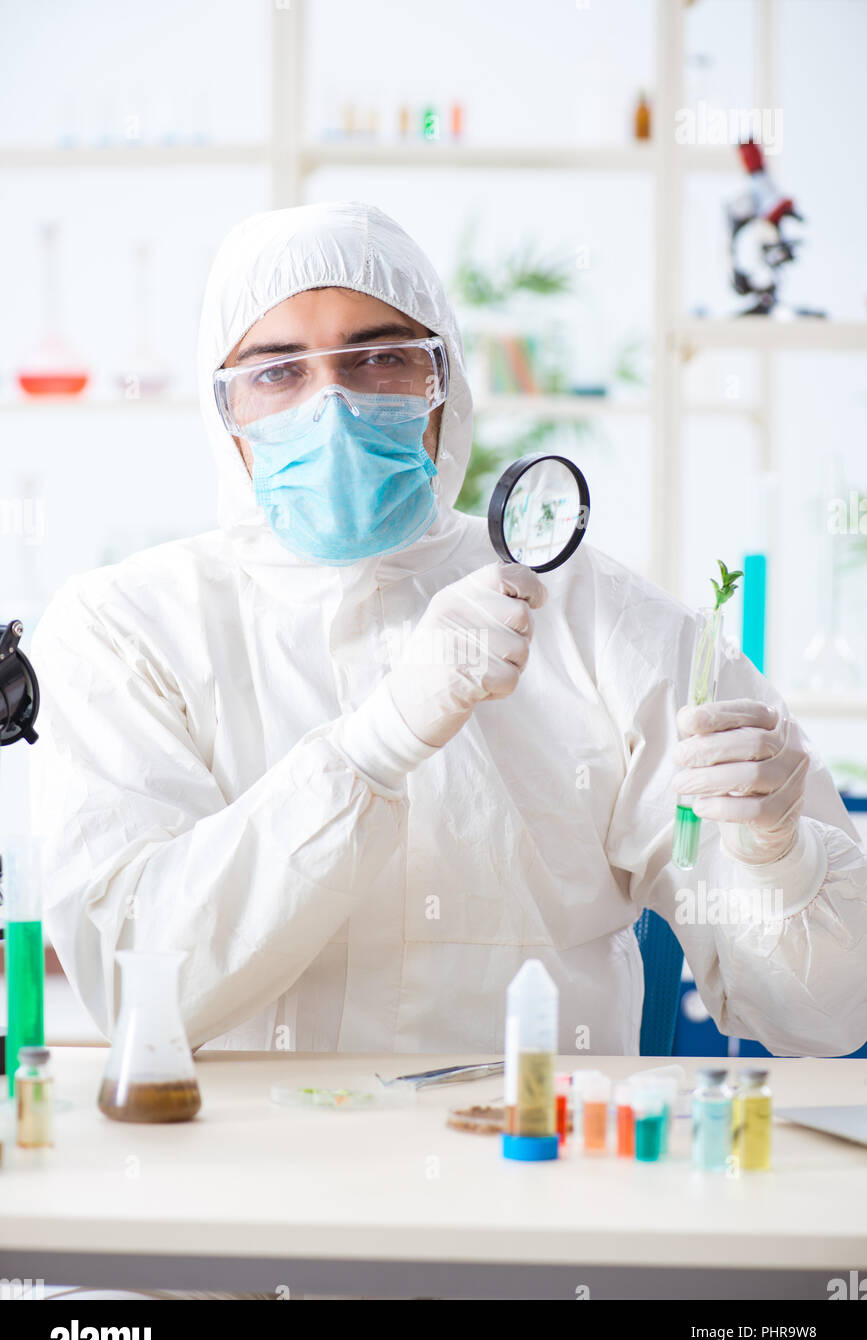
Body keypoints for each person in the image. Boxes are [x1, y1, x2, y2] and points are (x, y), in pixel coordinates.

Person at [32, 201, 867, 1061]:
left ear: (445, 382)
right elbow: (135, 994)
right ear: (222, 412)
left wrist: (777, 858)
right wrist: (375, 746)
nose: (335, 407)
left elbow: (824, 1020)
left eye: (382, 358)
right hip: (244, 1181)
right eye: (278, 372)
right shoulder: (126, 629)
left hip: (537, 1174)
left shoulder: (593, 616)